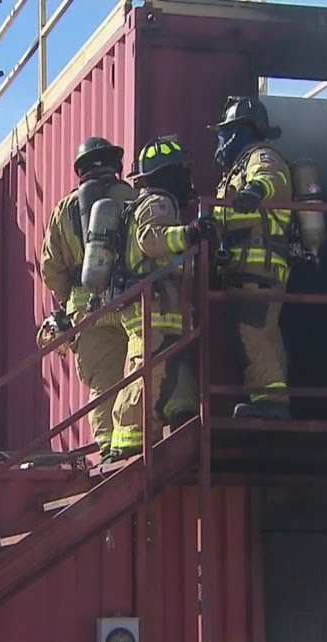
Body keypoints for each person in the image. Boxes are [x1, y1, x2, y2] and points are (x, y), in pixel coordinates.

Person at [107, 135, 208, 459]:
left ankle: (182, 415)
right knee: (145, 373)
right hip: (154, 309)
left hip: (162, 307)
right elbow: (153, 240)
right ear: (167, 174)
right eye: (181, 171)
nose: (186, 178)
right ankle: (128, 442)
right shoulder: (157, 201)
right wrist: (191, 233)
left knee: (172, 370)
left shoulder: (146, 203)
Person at [39, 137, 138, 460]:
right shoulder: (132, 197)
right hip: (130, 300)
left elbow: (51, 269)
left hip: (87, 312)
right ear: (115, 165)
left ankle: (110, 446)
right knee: (137, 372)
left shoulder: (63, 210)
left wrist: (70, 299)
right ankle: (136, 437)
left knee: (104, 381)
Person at [209, 96, 294, 420]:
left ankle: (271, 403)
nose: (219, 142)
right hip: (244, 266)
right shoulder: (237, 168)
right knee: (258, 331)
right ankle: (270, 398)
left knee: (253, 330)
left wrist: (255, 191)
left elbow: (273, 180)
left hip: (260, 264)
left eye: (222, 133)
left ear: (238, 132)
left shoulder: (261, 157)